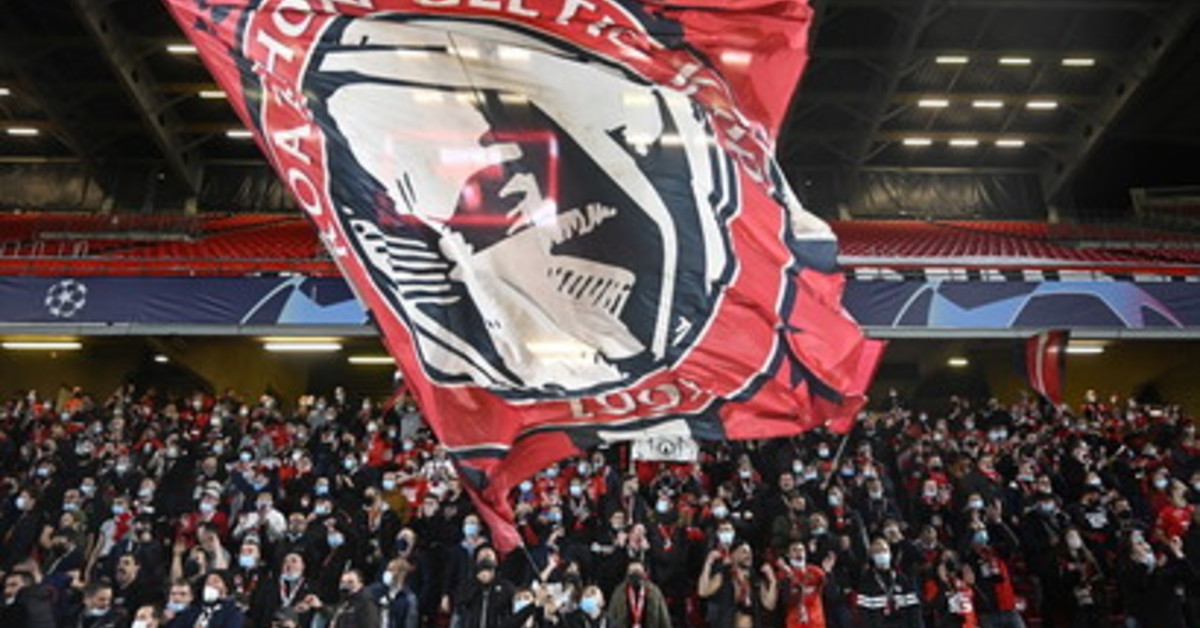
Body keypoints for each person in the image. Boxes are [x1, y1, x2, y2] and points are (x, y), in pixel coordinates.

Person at [856, 538, 921, 628]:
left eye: (884, 550)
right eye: (877, 552)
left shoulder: (902, 579)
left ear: (890, 554)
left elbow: (914, 610)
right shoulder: (866, 582)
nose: (882, 554)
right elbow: (864, 616)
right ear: (871, 556)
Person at [308, 569, 382, 628]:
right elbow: (336, 614)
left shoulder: (366, 603)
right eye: (343, 582)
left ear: (360, 584)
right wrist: (320, 606)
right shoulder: (346, 600)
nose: (347, 585)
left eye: (351, 582)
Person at [607, 560, 671, 628]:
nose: (635, 575)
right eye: (632, 571)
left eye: (638, 571)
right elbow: (612, 617)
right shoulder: (619, 593)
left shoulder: (654, 592)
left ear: (644, 572)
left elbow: (664, 619)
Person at [171, 572, 245, 628]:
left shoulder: (232, 613)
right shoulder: (193, 610)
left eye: (215, 581)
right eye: (207, 583)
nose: (210, 585)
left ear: (226, 588)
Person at [367, 556, 419, 628]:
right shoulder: (375, 590)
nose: (387, 573)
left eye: (391, 570)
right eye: (387, 570)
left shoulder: (409, 598)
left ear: (401, 574)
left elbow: (410, 624)